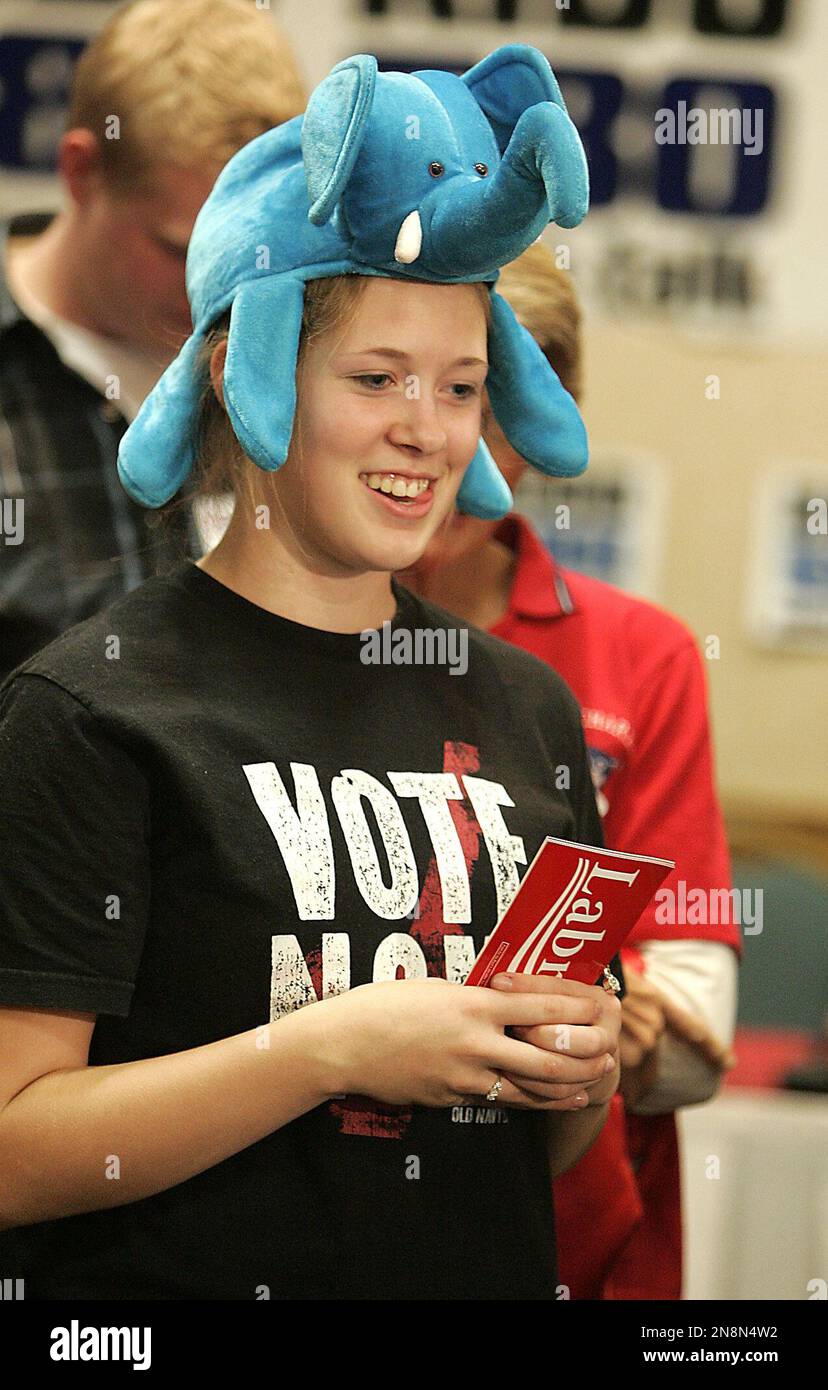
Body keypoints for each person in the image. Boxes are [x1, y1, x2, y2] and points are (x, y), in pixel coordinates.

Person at [0, 47, 624, 1301]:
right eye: (376, 378)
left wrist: (578, 1067)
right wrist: (327, 1051)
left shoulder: (525, 707)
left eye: (460, 387)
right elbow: (14, 1151)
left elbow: (544, 1150)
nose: (426, 430)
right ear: (252, 370)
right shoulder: (93, 711)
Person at [398, 240, 741, 1300]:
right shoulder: (272, 635)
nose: (452, 445)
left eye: (494, 409)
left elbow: (693, 1031)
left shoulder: (642, 652)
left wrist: (619, 1014)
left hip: (575, 1221)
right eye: (428, 392)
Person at [0, 0, 306, 678]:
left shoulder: (303, 364)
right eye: (181, 250)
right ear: (82, 172)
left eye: (249, 251)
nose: (215, 290)